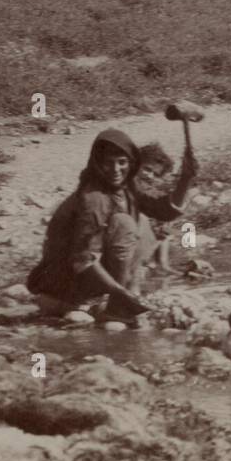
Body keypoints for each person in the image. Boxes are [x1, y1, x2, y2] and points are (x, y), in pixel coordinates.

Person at [26, 127, 197, 320]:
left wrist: (185, 179)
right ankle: (114, 304)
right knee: (125, 223)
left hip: (87, 273)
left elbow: (164, 211)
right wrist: (120, 294)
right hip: (64, 280)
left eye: (122, 162)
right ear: (97, 164)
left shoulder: (126, 186)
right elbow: (82, 259)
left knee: (141, 222)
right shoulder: (93, 199)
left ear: (131, 163)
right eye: (108, 163)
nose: (116, 170)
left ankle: (124, 292)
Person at [133, 142, 176, 276]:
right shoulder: (131, 181)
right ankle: (154, 264)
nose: (150, 176)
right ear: (137, 164)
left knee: (165, 225)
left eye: (155, 174)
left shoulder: (146, 185)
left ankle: (162, 264)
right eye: (147, 169)